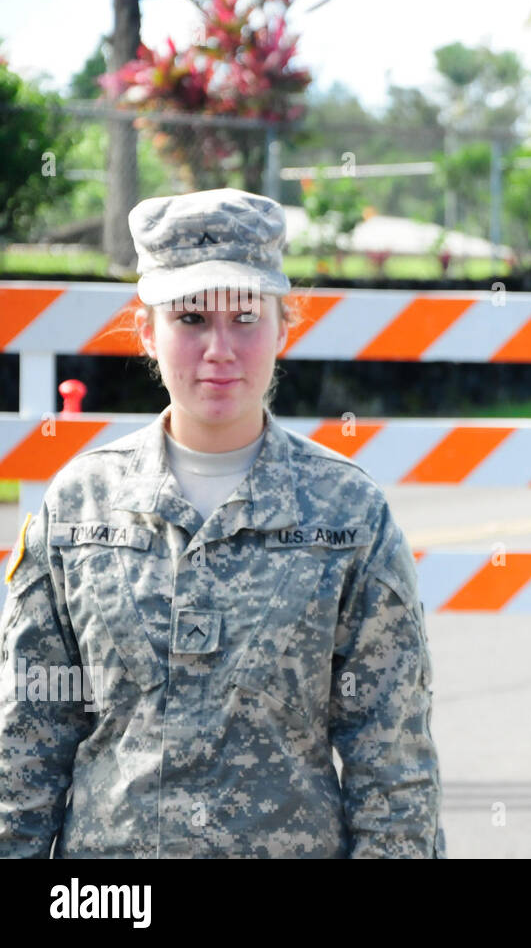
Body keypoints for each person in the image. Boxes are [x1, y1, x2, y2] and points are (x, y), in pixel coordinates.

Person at [0, 188, 444, 858]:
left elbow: (393, 767)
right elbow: (26, 745)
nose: (219, 348)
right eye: (190, 318)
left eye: (245, 316)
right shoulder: (80, 506)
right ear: (147, 330)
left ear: (283, 327)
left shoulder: (347, 515)